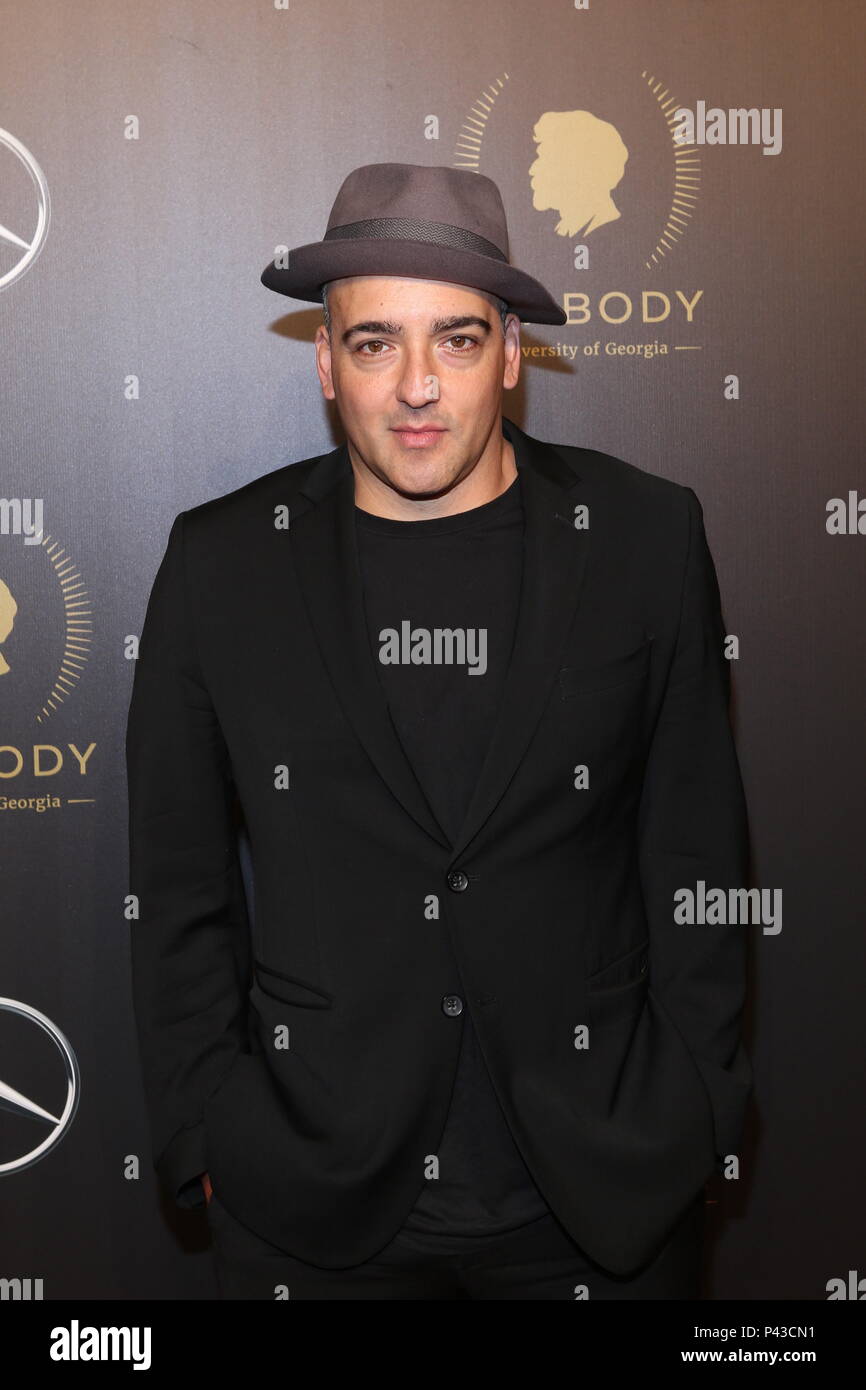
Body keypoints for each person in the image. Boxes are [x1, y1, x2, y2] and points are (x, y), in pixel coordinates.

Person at [126, 162, 752, 1299]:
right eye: (374, 344)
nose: (416, 386)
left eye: (455, 340)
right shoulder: (221, 563)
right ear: (325, 362)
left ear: (511, 355)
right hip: (306, 1200)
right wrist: (207, 1131)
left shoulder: (643, 539)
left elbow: (698, 857)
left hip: (601, 1196)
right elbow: (177, 888)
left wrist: (695, 1103)